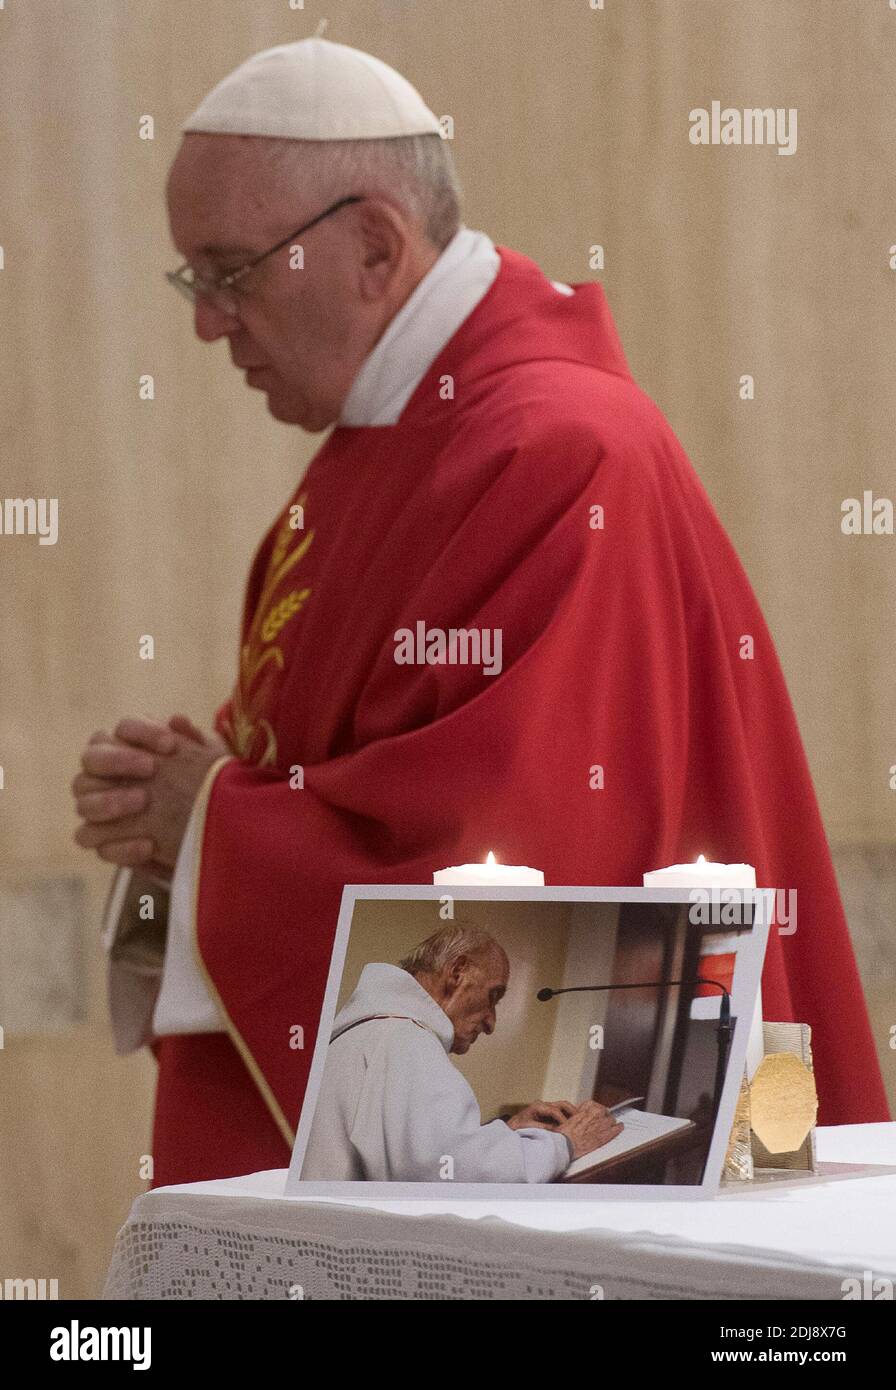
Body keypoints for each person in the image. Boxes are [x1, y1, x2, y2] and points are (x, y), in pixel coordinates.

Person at [71, 37, 889, 1186]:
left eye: (228, 272)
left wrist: (207, 826)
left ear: (371, 246)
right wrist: (198, 795)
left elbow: (520, 855)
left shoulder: (550, 453)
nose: (208, 323)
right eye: (191, 281)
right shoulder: (383, 448)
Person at [301, 923, 621, 1183]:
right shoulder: (404, 1040)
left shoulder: (373, 1032)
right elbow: (440, 1175)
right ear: (457, 972)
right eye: (493, 996)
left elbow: (416, 1155)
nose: (491, 1022)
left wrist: (506, 1132)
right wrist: (564, 1144)